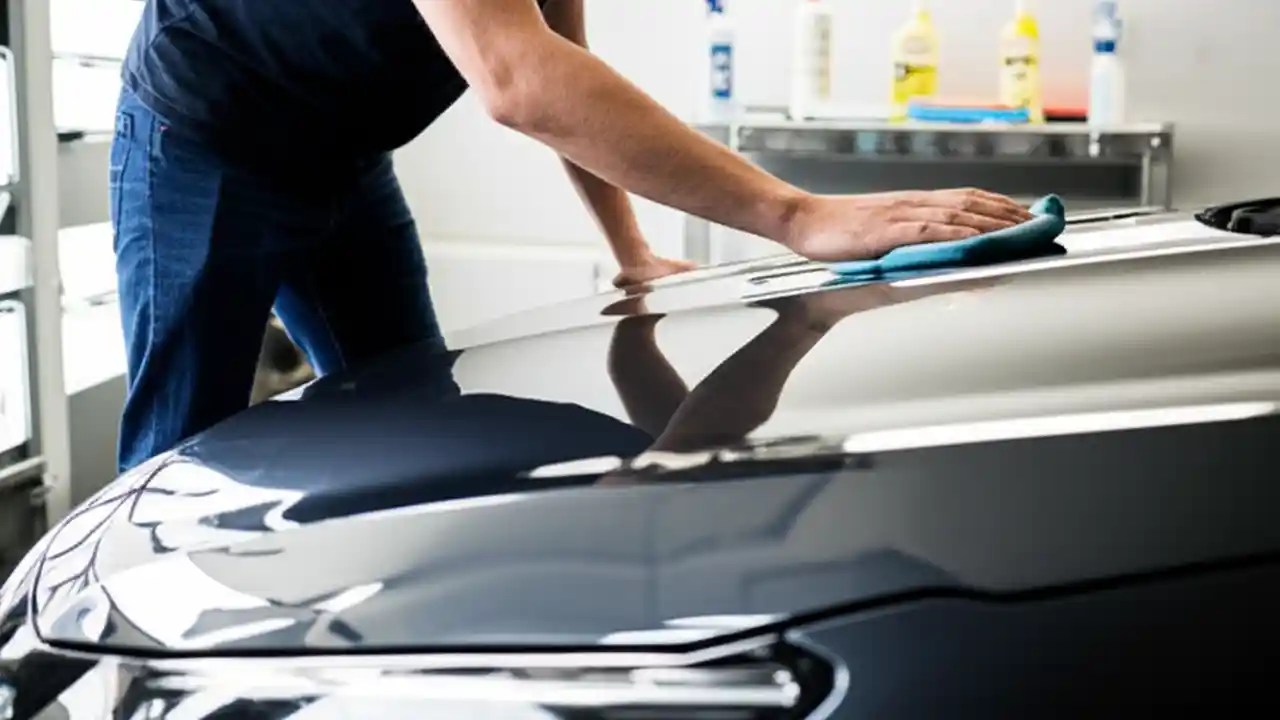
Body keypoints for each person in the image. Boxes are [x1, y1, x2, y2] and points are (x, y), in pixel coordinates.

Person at [111, 0, 1032, 472]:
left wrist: (629, 247)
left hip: (346, 150)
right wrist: (798, 216)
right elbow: (513, 78)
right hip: (207, 132)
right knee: (178, 458)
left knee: (408, 418)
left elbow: (562, 60)